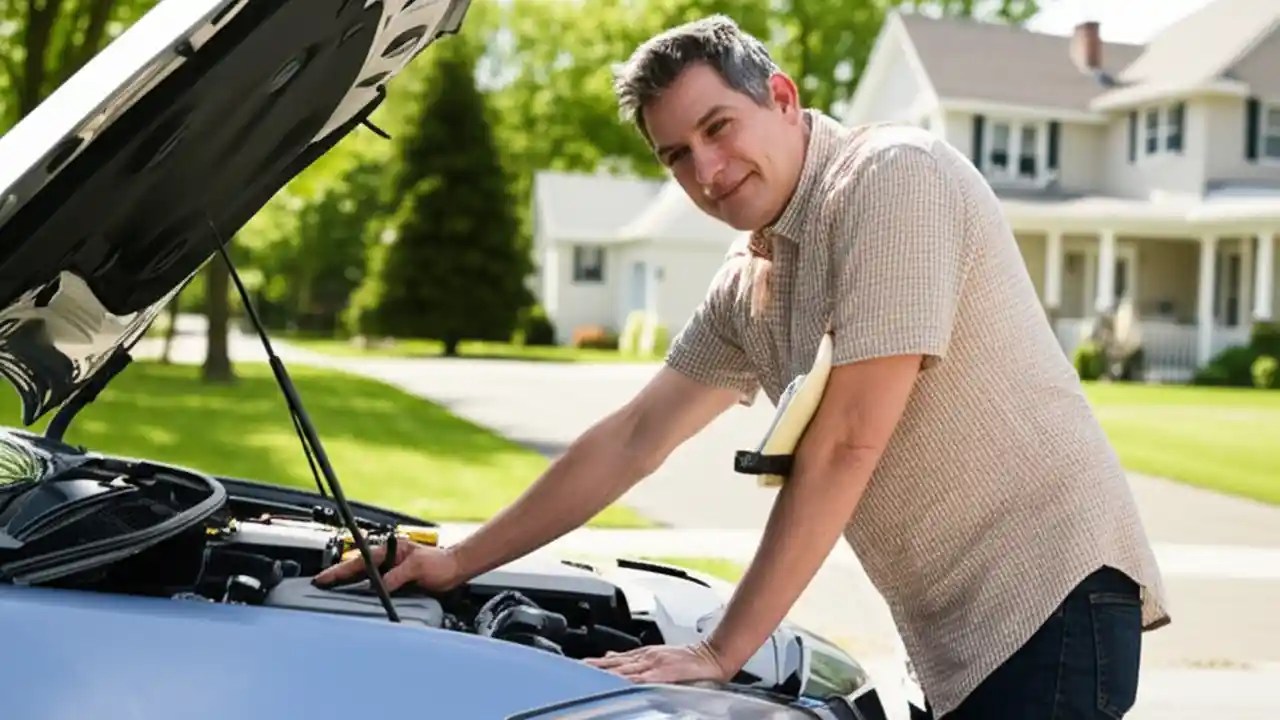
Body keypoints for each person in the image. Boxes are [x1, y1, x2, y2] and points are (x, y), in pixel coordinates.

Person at [315, 15, 1170, 719]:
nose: (707, 171)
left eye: (718, 127)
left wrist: (722, 649)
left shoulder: (893, 181)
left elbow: (846, 445)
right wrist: (459, 561)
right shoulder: (753, 277)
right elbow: (636, 436)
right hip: (952, 636)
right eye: (676, 155)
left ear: (783, 99)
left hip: (1052, 602)